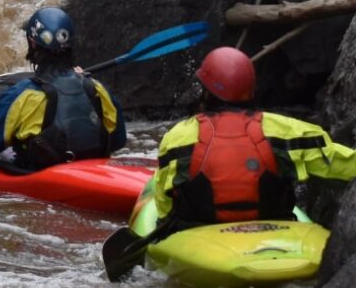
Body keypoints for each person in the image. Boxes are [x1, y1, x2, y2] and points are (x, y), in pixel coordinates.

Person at [126, 46, 356, 241]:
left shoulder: (176, 138)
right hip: (276, 233)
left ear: (206, 92)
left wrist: (162, 230)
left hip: (197, 236)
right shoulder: (290, 131)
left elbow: (165, 202)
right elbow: (344, 164)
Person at [0, 6, 127, 171]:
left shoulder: (23, 94)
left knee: (2, 147)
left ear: (32, 43)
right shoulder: (95, 87)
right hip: (91, 170)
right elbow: (118, 140)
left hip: (43, 176)